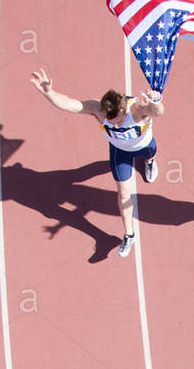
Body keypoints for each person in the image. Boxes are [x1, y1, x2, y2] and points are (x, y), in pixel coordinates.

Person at [30, 67, 164, 256]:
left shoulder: (137, 110)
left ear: (124, 109)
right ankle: (129, 234)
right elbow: (70, 104)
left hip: (144, 145)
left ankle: (149, 162)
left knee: (149, 155)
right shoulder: (99, 109)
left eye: (118, 121)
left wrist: (156, 101)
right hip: (120, 152)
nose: (115, 125)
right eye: (112, 122)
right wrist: (49, 93)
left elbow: (158, 112)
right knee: (124, 195)